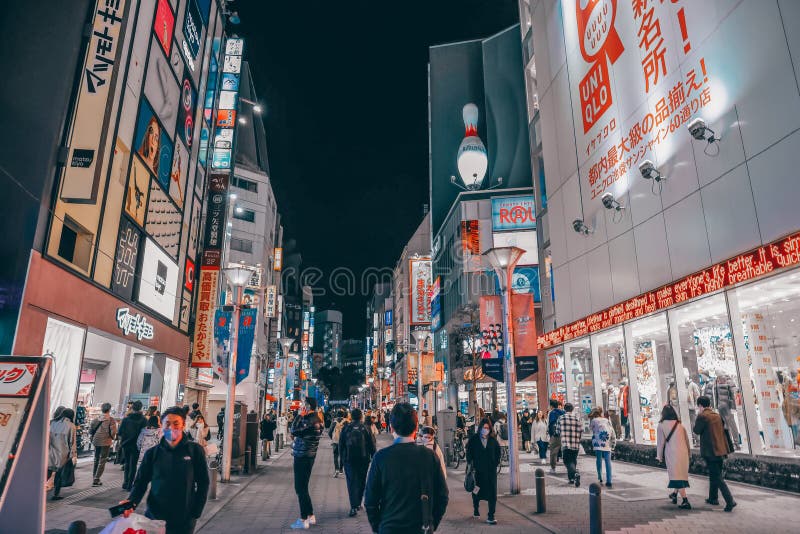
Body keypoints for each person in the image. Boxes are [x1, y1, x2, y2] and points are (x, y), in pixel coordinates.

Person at [119, 407, 209, 534]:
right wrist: (131, 502)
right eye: (167, 424)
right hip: (155, 515)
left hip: (184, 517)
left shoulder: (195, 451)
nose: (171, 428)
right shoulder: (152, 454)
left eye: (176, 423)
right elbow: (141, 482)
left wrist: (196, 511)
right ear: (161, 425)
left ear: (183, 425)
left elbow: (203, 482)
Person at [364, 403, 448, 533]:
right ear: (416, 428)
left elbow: (370, 499)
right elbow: (442, 495)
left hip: (390, 527)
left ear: (391, 428)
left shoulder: (381, 458)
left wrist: (378, 526)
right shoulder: (429, 456)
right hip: (420, 527)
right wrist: (431, 522)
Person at [693, 395, 736, 512]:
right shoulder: (717, 416)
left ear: (700, 406)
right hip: (721, 450)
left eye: (698, 406)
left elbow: (696, 430)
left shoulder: (702, 416)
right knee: (714, 475)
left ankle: (730, 500)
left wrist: (698, 416)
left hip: (710, 451)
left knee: (717, 477)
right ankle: (713, 498)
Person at [290, 397, 324, 529]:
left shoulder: (307, 420)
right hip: (310, 455)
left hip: (302, 455)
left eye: (304, 404)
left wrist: (299, 416)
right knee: (303, 486)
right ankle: (310, 515)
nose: (302, 406)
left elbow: (293, 430)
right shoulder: (318, 420)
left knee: (300, 488)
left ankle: (303, 519)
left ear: (308, 406)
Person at [339, 408, 376, 517]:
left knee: (351, 482)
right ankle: (359, 502)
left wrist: (342, 459)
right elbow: (372, 444)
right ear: (361, 417)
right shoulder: (366, 427)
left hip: (349, 459)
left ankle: (353, 506)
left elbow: (341, 444)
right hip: (364, 459)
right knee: (361, 480)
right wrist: (374, 457)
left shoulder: (346, 428)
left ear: (351, 416)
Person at [656, 405, 692, 510]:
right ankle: (674, 495)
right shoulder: (680, 424)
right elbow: (687, 440)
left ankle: (685, 501)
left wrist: (659, 456)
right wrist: (689, 453)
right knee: (680, 474)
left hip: (672, 453)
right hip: (683, 453)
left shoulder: (661, 425)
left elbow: (660, 443)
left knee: (676, 477)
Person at [466, 418, 501, 524]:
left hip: (490, 472)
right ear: (480, 428)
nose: (485, 430)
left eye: (487, 428)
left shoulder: (493, 440)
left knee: (492, 493)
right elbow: (469, 453)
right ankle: (476, 508)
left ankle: (491, 515)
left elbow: (498, 453)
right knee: (476, 491)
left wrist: (495, 464)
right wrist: (471, 465)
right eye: (484, 428)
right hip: (478, 472)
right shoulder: (474, 439)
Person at [48, 408, 77, 501]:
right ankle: (56, 494)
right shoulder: (71, 426)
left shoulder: (52, 423)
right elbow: (72, 442)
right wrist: (74, 455)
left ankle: (36, 491)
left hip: (50, 452)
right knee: (59, 475)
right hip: (63, 454)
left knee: (46, 473)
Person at [118, 400, 147, 490]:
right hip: (137, 445)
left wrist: (122, 441)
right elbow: (145, 433)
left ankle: (125, 482)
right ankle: (130, 484)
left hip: (126, 444)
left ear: (132, 408)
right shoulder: (144, 420)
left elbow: (120, 432)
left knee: (127, 463)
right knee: (133, 464)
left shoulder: (126, 419)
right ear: (140, 408)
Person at [90, 402, 117, 487]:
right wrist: (112, 438)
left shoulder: (96, 419)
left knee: (96, 458)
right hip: (106, 441)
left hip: (96, 441)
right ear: (109, 409)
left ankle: (94, 476)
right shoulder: (111, 420)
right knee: (102, 460)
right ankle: (96, 479)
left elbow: (91, 430)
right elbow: (113, 432)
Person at [556, 403, 583, 486]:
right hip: (575, 444)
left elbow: (557, 431)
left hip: (566, 443)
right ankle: (571, 479)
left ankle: (575, 473)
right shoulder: (577, 418)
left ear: (564, 409)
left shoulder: (561, 418)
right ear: (572, 409)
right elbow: (581, 430)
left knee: (567, 461)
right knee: (573, 461)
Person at [588, 407, 616, 488]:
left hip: (597, 443)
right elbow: (612, 431)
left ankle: (600, 477)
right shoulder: (607, 420)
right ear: (601, 413)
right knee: (608, 462)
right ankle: (609, 480)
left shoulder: (594, 421)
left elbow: (590, 429)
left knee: (599, 460)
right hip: (607, 443)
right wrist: (613, 444)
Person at [547, 399, 565, 472]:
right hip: (564, 434)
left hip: (556, 435)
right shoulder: (563, 412)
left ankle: (553, 468)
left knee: (553, 452)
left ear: (551, 406)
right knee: (565, 451)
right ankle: (569, 466)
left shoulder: (552, 413)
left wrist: (551, 435)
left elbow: (551, 424)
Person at [328, 411, 347, 477]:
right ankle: (341, 469)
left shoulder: (334, 422)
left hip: (335, 441)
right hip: (343, 442)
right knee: (342, 455)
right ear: (343, 415)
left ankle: (336, 469)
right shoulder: (346, 422)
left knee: (335, 456)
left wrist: (332, 438)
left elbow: (329, 432)